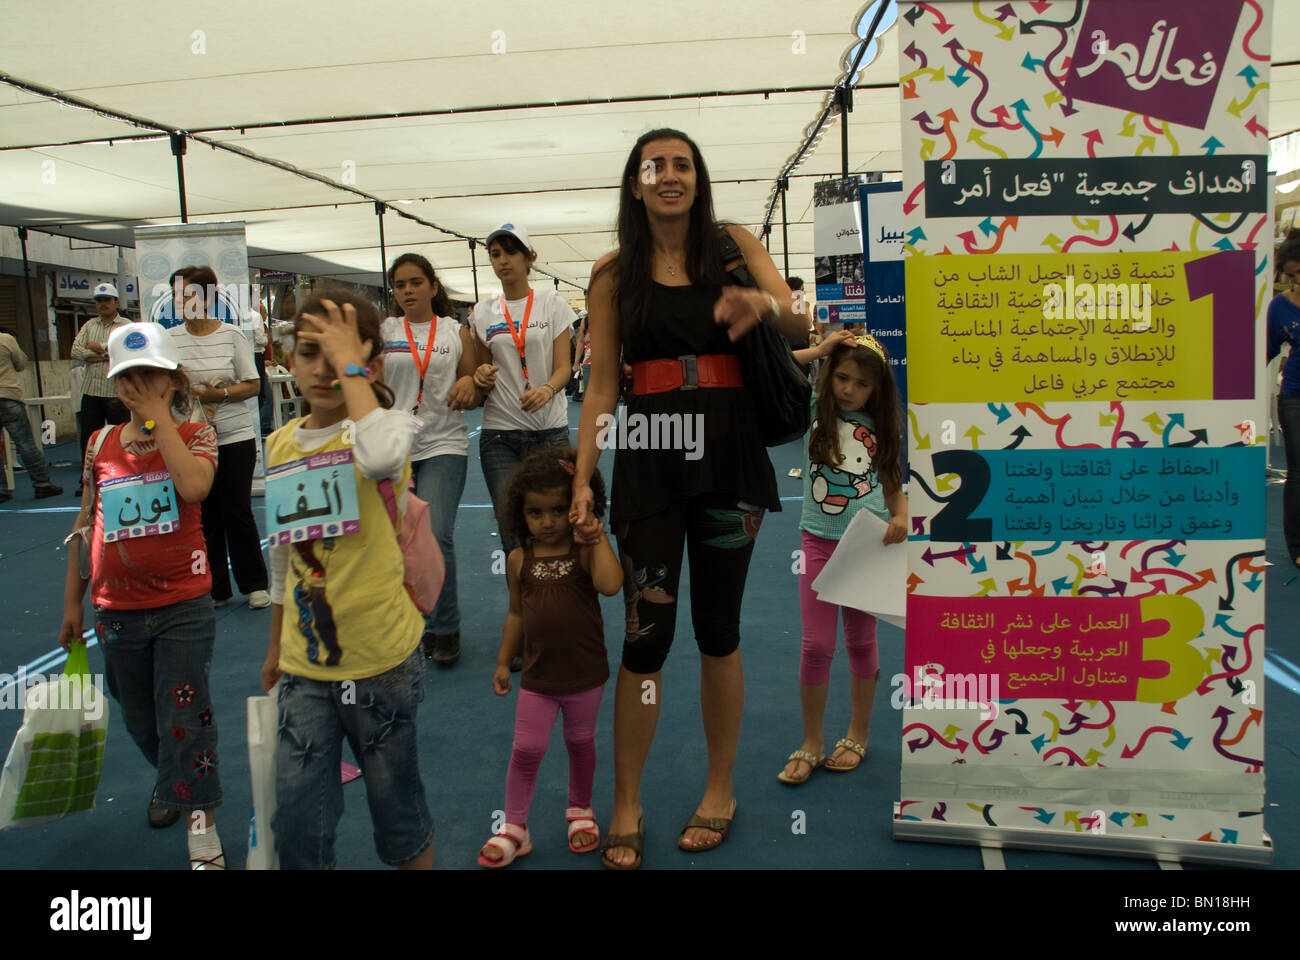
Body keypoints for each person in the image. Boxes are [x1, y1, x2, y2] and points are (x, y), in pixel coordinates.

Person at [570, 128, 811, 867]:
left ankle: (718, 788)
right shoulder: (613, 275)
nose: (669, 175)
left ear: (697, 179)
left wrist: (761, 308)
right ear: (636, 183)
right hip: (649, 461)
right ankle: (628, 800)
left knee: (719, 631)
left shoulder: (734, 244)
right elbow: (604, 385)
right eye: (655, 166)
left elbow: (797, 317)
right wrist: (582, 476)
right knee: (645, 640)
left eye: (681, 164)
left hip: (730, 459)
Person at [260, 289, 434, 871]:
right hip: (304, 668)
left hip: (381, 662)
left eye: (336, 353)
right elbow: (285, 557)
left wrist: (350, 366)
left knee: (398, 817)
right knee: (300, 823)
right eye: (310, 351)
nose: (322, 367)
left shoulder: (386, 427)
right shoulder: (280, 444)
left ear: (369, 366)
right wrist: (275, 645)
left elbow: (381, 458)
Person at [57, 322, 224, 869]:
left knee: (187, 712)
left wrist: (161, 420)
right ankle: (173, 778)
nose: (139, 385)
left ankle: (201, 816)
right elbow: (87, 523)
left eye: (151, 374)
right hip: (115, 609)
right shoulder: (99, 443)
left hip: (183, 604)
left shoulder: (198, 435)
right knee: (136, 716)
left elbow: (194, 487)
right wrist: (72, 604)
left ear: (173, 380)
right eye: (129, 377)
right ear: (114, 384)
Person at [477, 446, 622, 867]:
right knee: (526, 749)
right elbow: (516, 614)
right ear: (519, 516)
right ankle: (515, 827)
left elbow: (611, 586)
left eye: (559, 510)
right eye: (535, 513)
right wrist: (505, 661)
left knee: (580, 743)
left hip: (585, 675)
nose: (548, 522)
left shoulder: (583, 550)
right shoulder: (519, 560)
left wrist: (595, 537)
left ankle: (581, 809)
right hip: (537, 680)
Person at [778, 333, 907, 785]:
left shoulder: (882, 424)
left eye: (861, 384)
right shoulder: (817, 409)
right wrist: (820, 350)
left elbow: (891, 477)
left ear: (877, 390)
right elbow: (778, 361)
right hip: (817, 541)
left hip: (864, 545)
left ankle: (857, 733)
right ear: (830, 375)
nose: (849, 389)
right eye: (843, 378)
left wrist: (902, 514)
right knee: (816, 645)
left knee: (859, 642)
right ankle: (811, 740)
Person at [469, 223, 576, 671]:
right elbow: (476, 371)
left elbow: (566, 367)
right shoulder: (481, 312)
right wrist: (477, 377)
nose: (502, 260)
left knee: (558, 528)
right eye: (495, 253)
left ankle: (561, 622)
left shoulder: (553, 304)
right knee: (514, 533)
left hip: (549, 431)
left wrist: (548, 390)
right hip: (499, 435)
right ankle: (525, 624)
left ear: (529, 258)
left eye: (511, 252)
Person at [380, 253, 480, 664]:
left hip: (444, 444)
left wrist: (471, 384)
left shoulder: (455, 332)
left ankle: (445, 627)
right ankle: (409, 625)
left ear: (433, 287)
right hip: (393, 449)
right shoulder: (384, 330)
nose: (407, 291)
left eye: (415, 282)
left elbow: (474, 383)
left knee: (436, 534)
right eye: (400, 285)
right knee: (397, 542)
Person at [167, 266, 270, 609]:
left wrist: (221, 396)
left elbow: (254, 385)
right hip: (192, 441)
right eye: (176, 295)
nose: (181, 301)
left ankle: (254, 584)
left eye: (188, 294)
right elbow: (165, 392)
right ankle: (216, 588)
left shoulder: (232, 336)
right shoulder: (170, 341)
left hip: (234, 436)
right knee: (205, 515)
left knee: (237, 510)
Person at [70, 283, 131, 496]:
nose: (102, 304)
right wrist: (107, 355)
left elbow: (128, 350)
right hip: (91, 391)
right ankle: (87, 481)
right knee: (88, 439)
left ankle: (121, 476)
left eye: (107, 300)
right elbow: (76, 351)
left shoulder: (126, 325)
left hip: (117, 393)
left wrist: (101, 349)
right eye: (99, 300)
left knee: (120, 437)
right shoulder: (88, 325)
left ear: (116, 302)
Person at [0, 331, 62, 502]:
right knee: (25, 443)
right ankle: (42, 484)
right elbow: (21, 363)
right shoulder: (6, 339)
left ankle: (1, 490)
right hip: (8, 394)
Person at [1269, 229, 1300, 568]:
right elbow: (1264, 351)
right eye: (1291, 275)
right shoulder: (1280, 306)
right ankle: (1297, 546)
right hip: (1295, 395)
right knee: (1298, 472)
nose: (1296, 280)